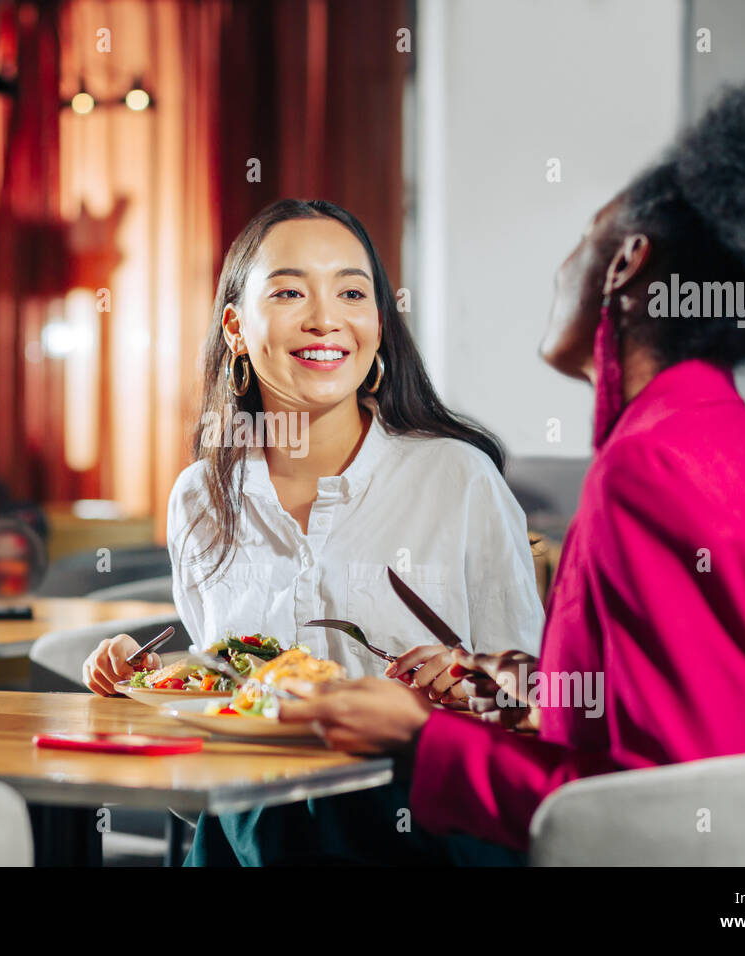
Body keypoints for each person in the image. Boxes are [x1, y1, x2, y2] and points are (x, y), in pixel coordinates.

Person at [280, 78, 745, 853]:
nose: (563, 262)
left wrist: (417, 737)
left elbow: (654, 813)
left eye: (585, 235)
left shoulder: (652, 472)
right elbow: (719, 729)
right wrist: (523, 686)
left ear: (627, 265)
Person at [83, 198, 544, 864]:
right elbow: (221, 730)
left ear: (378, 325)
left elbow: (531, 710)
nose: (326, 318)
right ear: (236, 328)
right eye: (291, 291)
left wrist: (468, 687)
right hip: (247, 839)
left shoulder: (458, 479)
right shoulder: (199, 498)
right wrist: (156, 688)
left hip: (423, 838)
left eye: (352, 292)